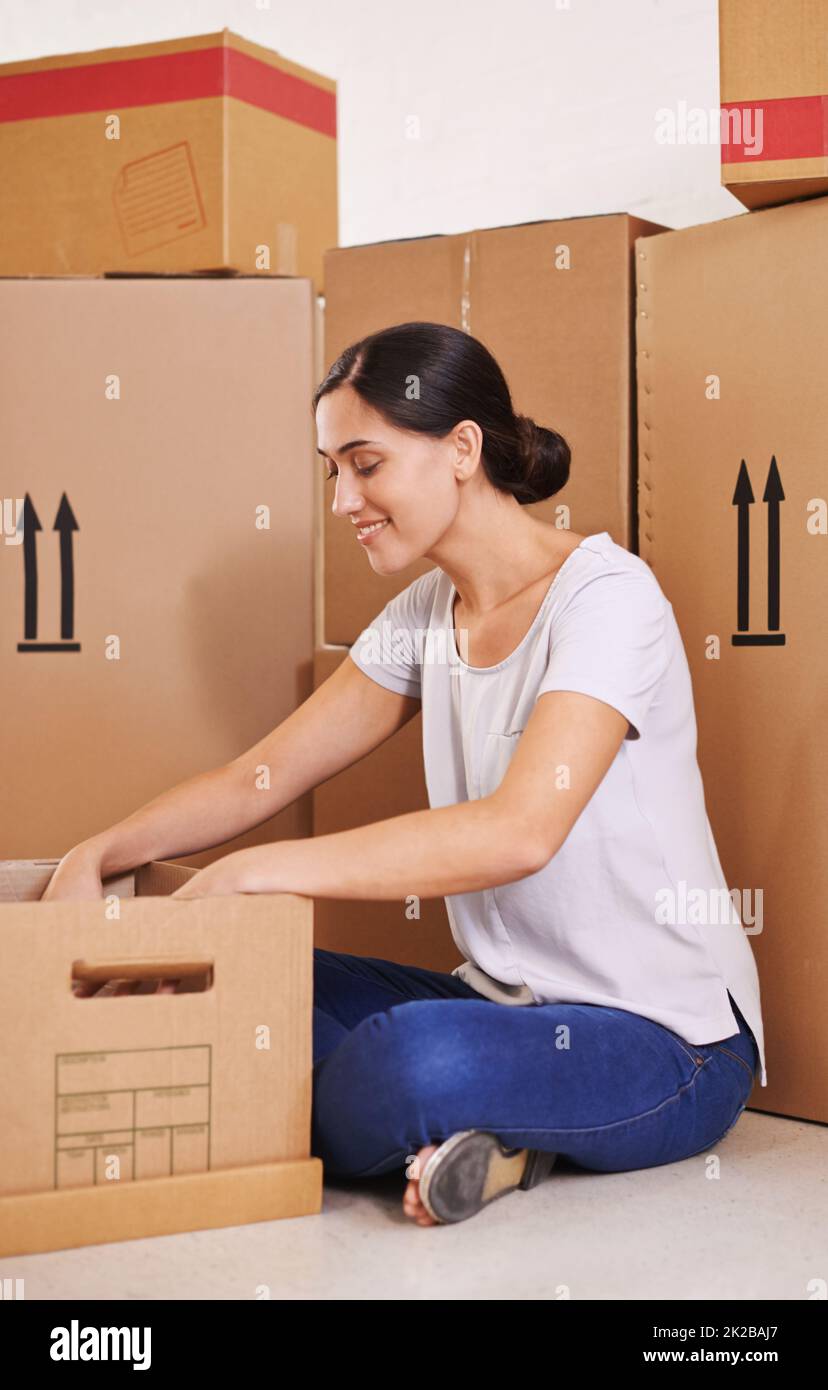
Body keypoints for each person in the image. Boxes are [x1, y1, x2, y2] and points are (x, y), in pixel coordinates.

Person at [43, 321, 766, 1229]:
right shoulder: (427, 614)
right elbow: (261, 775)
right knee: (242, 975)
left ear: (462, 448)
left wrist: (251, 872)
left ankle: (393, 1104)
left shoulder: (610, 600)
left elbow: (519, 831)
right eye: (331, 471)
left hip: (668, 1042)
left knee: (409, 1061)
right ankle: (494, 1140)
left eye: (366, 463)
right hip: (502, 1007)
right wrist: (95, 852)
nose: (344, 498)